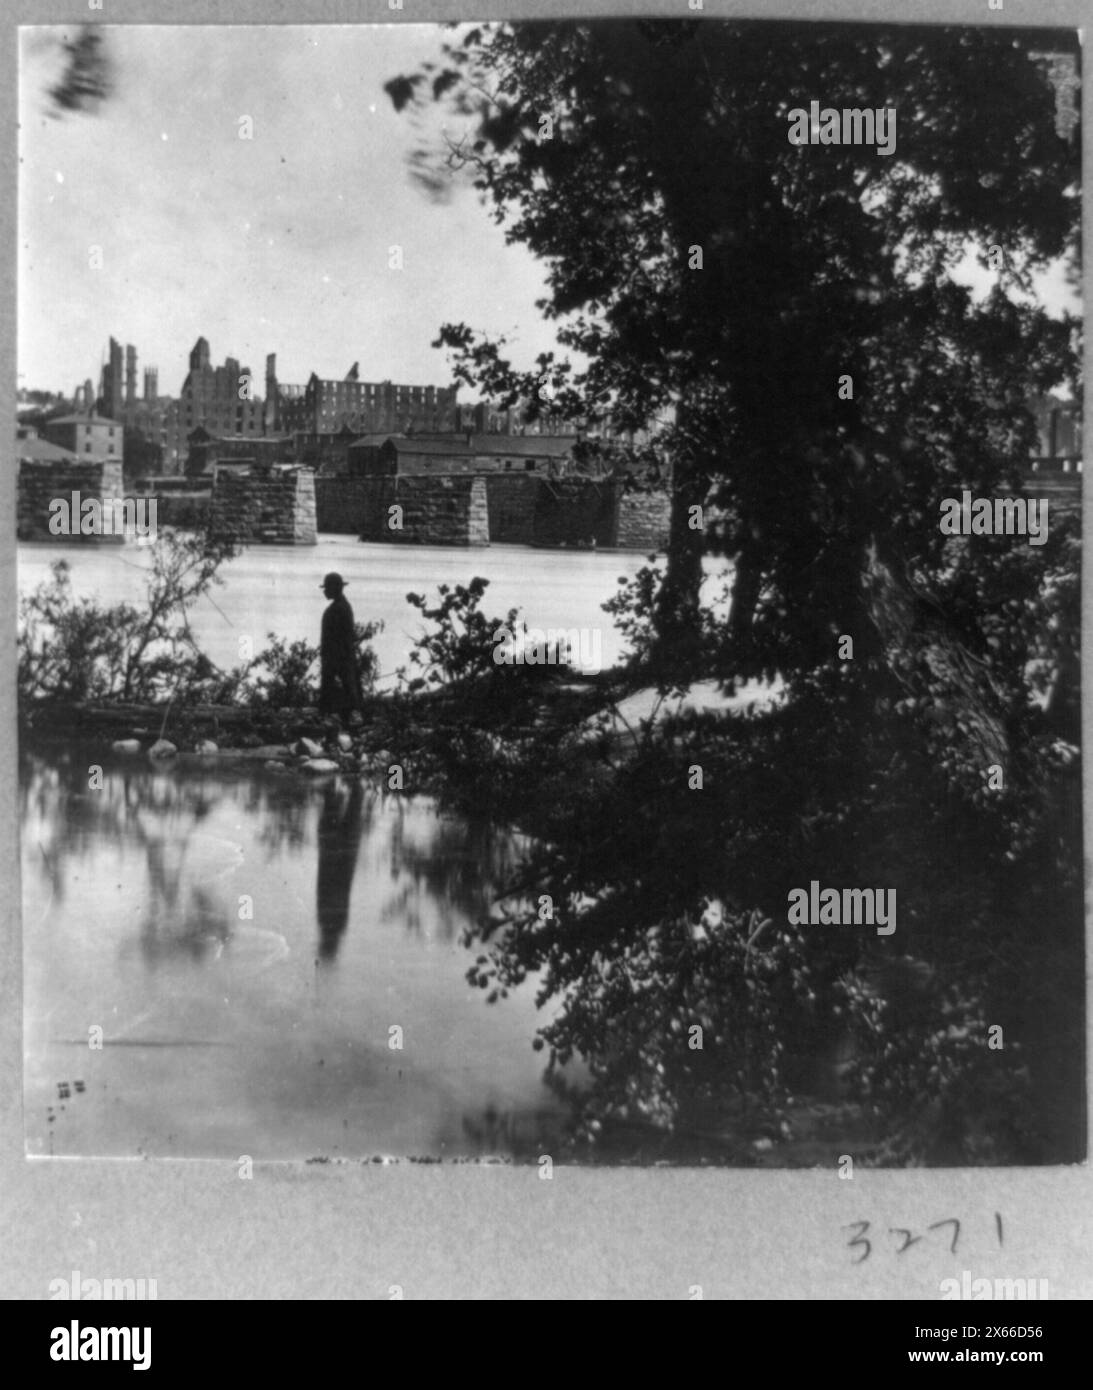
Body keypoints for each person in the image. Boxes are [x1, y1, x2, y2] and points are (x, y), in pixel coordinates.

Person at [318, 572, 362, 721]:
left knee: (338, 687)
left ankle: (337, 717)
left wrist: (330, 658)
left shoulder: (338, 608)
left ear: (335, 588)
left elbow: (338, 636)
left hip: (337, 656)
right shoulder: (343, 606)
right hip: (342, 655)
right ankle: (348, 715)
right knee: (348, 687)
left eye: (327, 588)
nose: (324, 591)